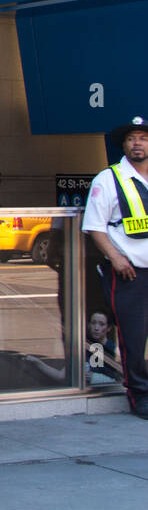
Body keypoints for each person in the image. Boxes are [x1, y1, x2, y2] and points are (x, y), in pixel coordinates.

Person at [82, 116, 148, 418]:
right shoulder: (108, 179)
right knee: (134, 336)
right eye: (132, 138)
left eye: (143, 138)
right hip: (128, 272)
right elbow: (95, 227)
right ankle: (139, 395)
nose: (138, 143)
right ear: (123, 145)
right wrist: (117, 258)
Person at [22, 311, 122, 385]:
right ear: (88, 325)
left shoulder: (114, 350)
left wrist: (97, 378)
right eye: (93, 323)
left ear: (108, 328)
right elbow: (61, 376)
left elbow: (123, 380)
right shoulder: (83, 347)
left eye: (101, 324)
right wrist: (38, 363)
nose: (96, 328)